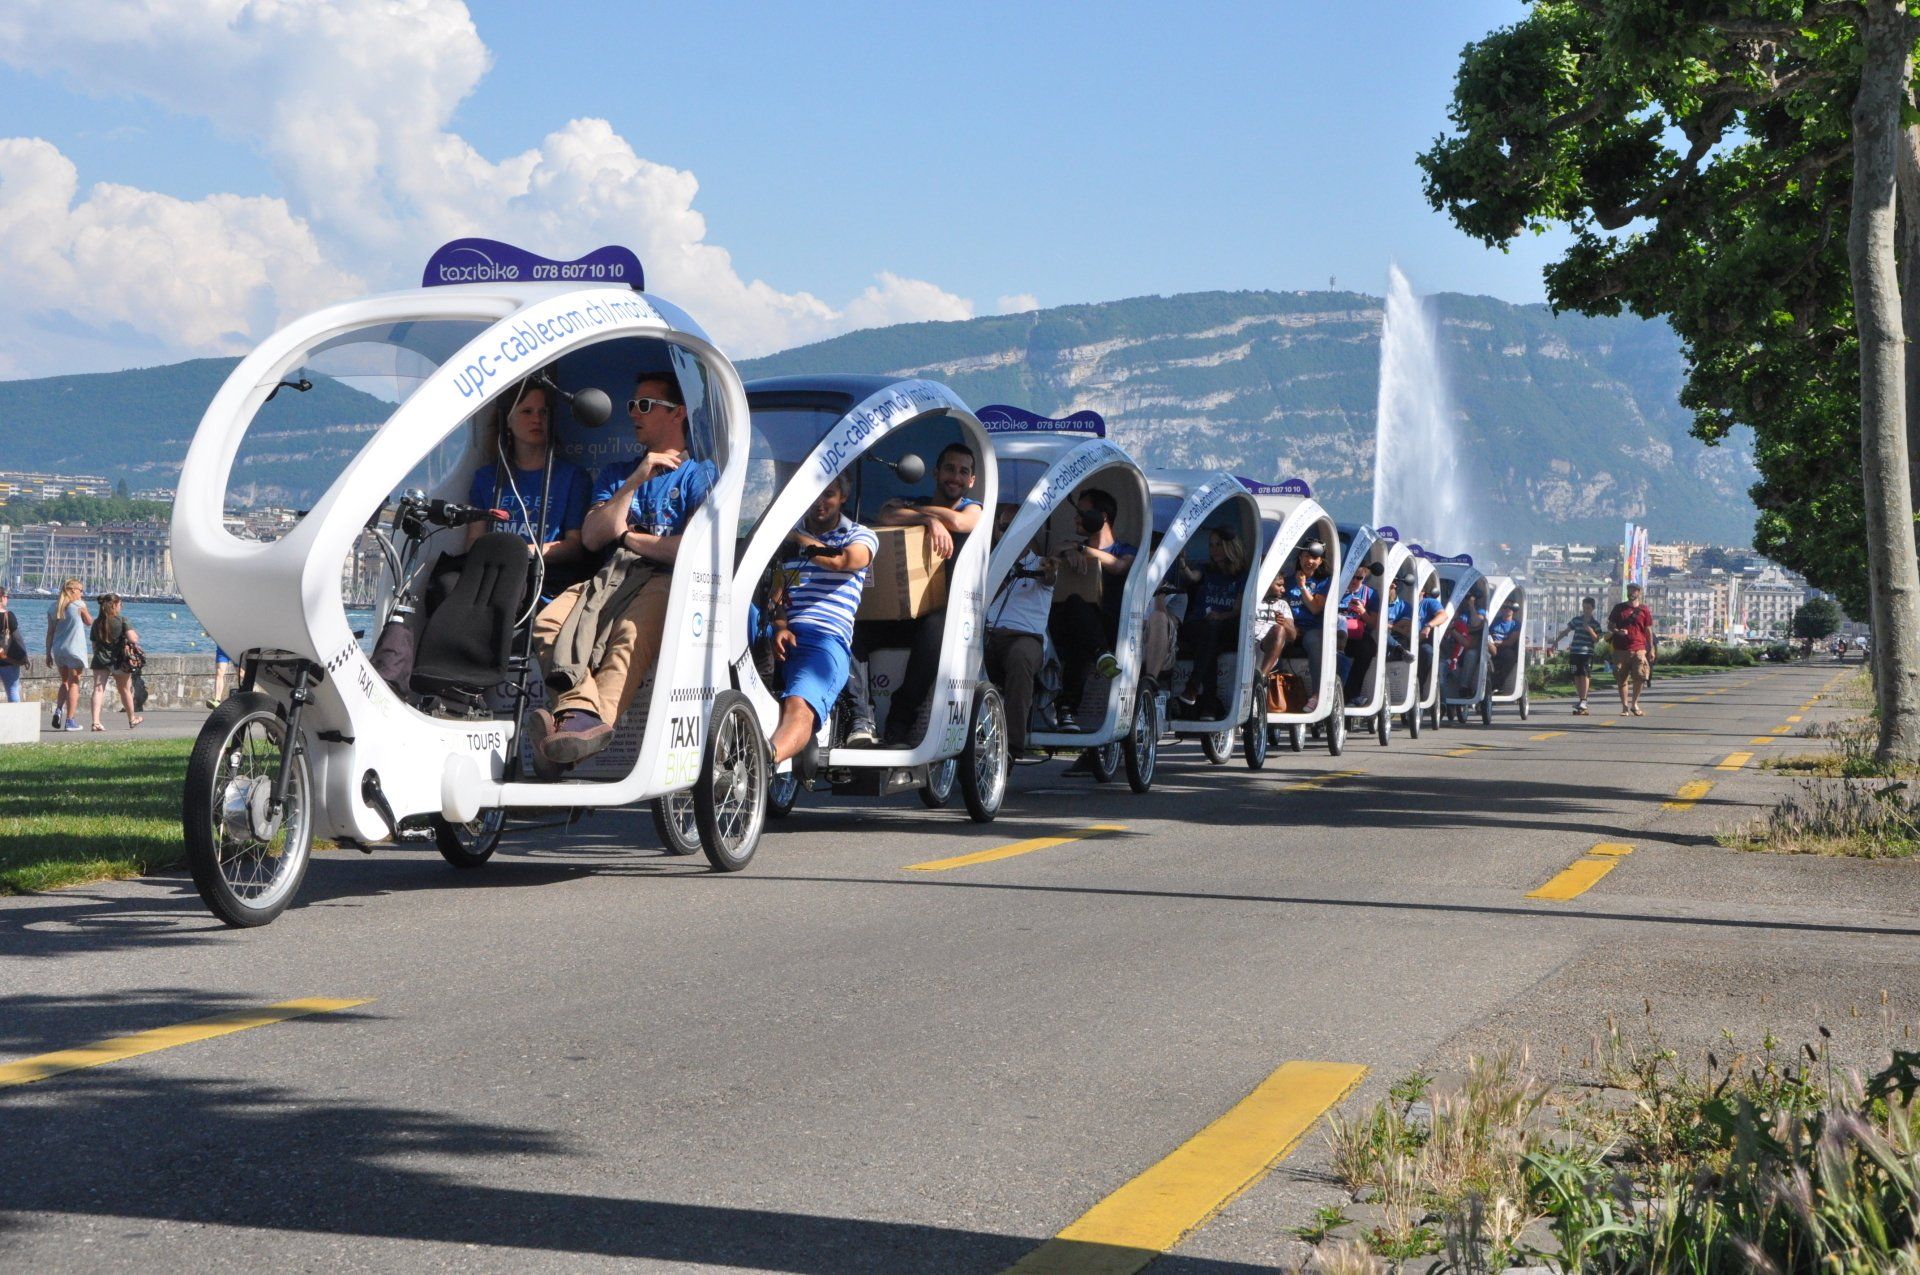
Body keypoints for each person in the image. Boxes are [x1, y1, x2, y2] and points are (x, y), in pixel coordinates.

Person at [525, 370, 714, 773]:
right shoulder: (618, 473)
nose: (633, 413)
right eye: (631, 405)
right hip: (612, 575)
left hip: (666, 579)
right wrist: (634, 482)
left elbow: (691, 551)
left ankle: (577, 725)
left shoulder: (700, 474)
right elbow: (594, 537)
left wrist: (627, 536)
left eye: (645, 405)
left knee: (628, 633)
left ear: (677, 413)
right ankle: (582, 722)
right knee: (548, 622)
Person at [853, 441, 983, 746]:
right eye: (949, 469)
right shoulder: (917, 504)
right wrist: (929, 520)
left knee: (938, 623)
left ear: (971, 481)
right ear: (936, 472)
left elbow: (960, 522)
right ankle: (861, 717)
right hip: (905, 613)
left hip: (946, 619)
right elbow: (886, 514)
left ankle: (901, 719)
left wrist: (927, 515)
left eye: (963, 472)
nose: (955, 476)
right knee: (854, 627)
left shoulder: (973, 507)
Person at [765, 474, 876, 776]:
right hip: (781, 635)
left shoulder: (859, 534)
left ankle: (763, 760)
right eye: (814, 494)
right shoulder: (787, 544)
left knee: (799, 704)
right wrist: (779, 627)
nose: (819, 502)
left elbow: (844, 561)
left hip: (823, 638)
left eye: (828, 494)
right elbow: (777, 597)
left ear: (842, 497)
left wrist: (799, 540)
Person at [466, 379, 592, 596]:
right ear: (508, 419)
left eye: (543, 412)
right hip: (494, 575)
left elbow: (575, 546)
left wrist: (523, 552)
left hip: (543, 577)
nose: (537, 419)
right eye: (526, 411)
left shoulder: (572, 477)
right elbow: (474, 542)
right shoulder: (486, 477)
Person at [1047, 488, 1133, 717]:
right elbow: (1054, 553)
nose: (1076, 518)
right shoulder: (1069, 547)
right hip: (1065, 626)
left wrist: (1082, 550)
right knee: (1075, 607)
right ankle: (1100, 653)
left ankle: (1067, 709)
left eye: (1081, 513)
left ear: (1102, 517)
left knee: (1080, 633)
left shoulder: (1124, 550)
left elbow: (1118, 566)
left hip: (1107, 626)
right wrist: (1066, 554)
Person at [984, 503, 1055, 755]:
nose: (1010, 534)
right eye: (1004, 528)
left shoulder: (1041, 564)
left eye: (1018, 529)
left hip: (1025, 639)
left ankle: (1013, 745)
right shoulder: (987, 564)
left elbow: (1050, 577)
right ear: (996, 533)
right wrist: (1002, 573)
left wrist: (1049, 572)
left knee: (1020, 656)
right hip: (988, 635)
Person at [1173, 526, 1249, 718]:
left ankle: (1194, 688)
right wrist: (1182, 564)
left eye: (1219, 545)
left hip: (1225, 625)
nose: (1214, 549)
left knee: (1212, 632)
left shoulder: (1241, 574)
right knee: (1208, 642)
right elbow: (1192, 577)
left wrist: (1219, 616)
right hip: (1198, 625)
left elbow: (1238, 609)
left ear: (1230, 547)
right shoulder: (1206, 569)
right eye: (1211, 545)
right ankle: (1208, 703)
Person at [1279, 540, 1333, 703]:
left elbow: (1315, 608)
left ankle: (1317, 694)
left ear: (1320, 561)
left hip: (1312, 629)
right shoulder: (1286, 581)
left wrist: (1302, 586)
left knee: (1314, 641)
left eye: (1314, 558)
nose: (1310, 561)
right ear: (1300, 557)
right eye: (1306, 556)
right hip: (1290, 627)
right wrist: (1290, 625)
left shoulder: (1324, 582)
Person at [88, 593, 143, 730]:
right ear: (114, 605)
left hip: (100, 659)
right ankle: (132, 719)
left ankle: (96, 722)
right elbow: (133, 639)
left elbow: (94, 644)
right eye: (120, 604)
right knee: (125, 690)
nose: (121, 606)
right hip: (119, 660)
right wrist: (134, 634)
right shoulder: (122, 620)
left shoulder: (97, 622)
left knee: (98, 689)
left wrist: (99, 654)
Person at [44, 579, 90, 732]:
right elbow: (89, 622)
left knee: (64, 682)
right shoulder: (79, 605)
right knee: (74, 683)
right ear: (73, 590)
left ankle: (58, 709)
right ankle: (70, 720)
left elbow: (50, 633)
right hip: (74, 650)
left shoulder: (53, 607)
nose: (82, 593)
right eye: (80, 590)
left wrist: (47, 653)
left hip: (59, 650)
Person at [1607, 583, 1655, 716]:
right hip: (1620, 649)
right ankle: (1624, 707)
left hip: (1639, 649)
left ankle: (1634, 703)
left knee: (1640, 677)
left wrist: (1651, 649)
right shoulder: (1619, 608)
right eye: (1629, 590)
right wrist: (1617, 631)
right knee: (1621, 679)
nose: (1631, 592)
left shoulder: (1644, 610)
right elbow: (1610, 626)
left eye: (1633, 590)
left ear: (1639, 592)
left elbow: (1648, 630)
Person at [1339, 564, 1380, 704]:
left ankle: (1351, 693)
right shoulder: (1336, 589)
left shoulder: (1370, 593)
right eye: (1351, 577)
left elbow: (1373, 623)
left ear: (1364, 578)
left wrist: (1362, 611)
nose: (1354, 580)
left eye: (1359, 578)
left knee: (1367, 648)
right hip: (1335, 631)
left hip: (1357, 634)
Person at [1559, 597, 1604, 714]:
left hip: (1586, 652)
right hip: (1575, 651)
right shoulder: (1577, 620)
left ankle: (1584, 699)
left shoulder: (1595, 623)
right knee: (1576, 675)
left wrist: (1590, 630)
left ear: (1593, 609)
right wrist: (1556, 641)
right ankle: (1581, 700)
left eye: (1588, 608)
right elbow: (1567, 630)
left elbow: (1597, 639)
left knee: (1584, 675)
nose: (1585, 610)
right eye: (1584, 608)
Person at [1252, 575, 1296, 678]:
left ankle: (1261, 677)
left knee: (1279, 629)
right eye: (1279, 585)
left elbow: (1293, 636)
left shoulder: (1282, 605)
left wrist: (1284, 622)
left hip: (1268, 647)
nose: (1283, 590)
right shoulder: (1251, 601)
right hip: (1248, 645)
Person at [1487, 600, 1521, 695]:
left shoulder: (1515, 624)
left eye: (1510, 608)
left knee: (1509, 656)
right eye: (1504, 607)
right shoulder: (1494, 621)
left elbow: (1510, 642)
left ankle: (1499, 684)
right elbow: (1487, 633)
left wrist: (1499, 643)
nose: (1507, 609)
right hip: (1490, 647)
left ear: (1513, 610)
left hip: (1505, 649)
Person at [0, 584, 28, 703]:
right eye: (6, 596)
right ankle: (15, 721)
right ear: (1, 597)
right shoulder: (8, 616)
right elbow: (18, 639)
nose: (7, 599)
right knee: (12, 691)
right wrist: (24, 657)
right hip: (7, 660)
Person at [204, 645, 233, 709]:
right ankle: (217, 700)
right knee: (219, 672)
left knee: (242, 674)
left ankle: (249, 698)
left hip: (236, 648)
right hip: (222, 648)